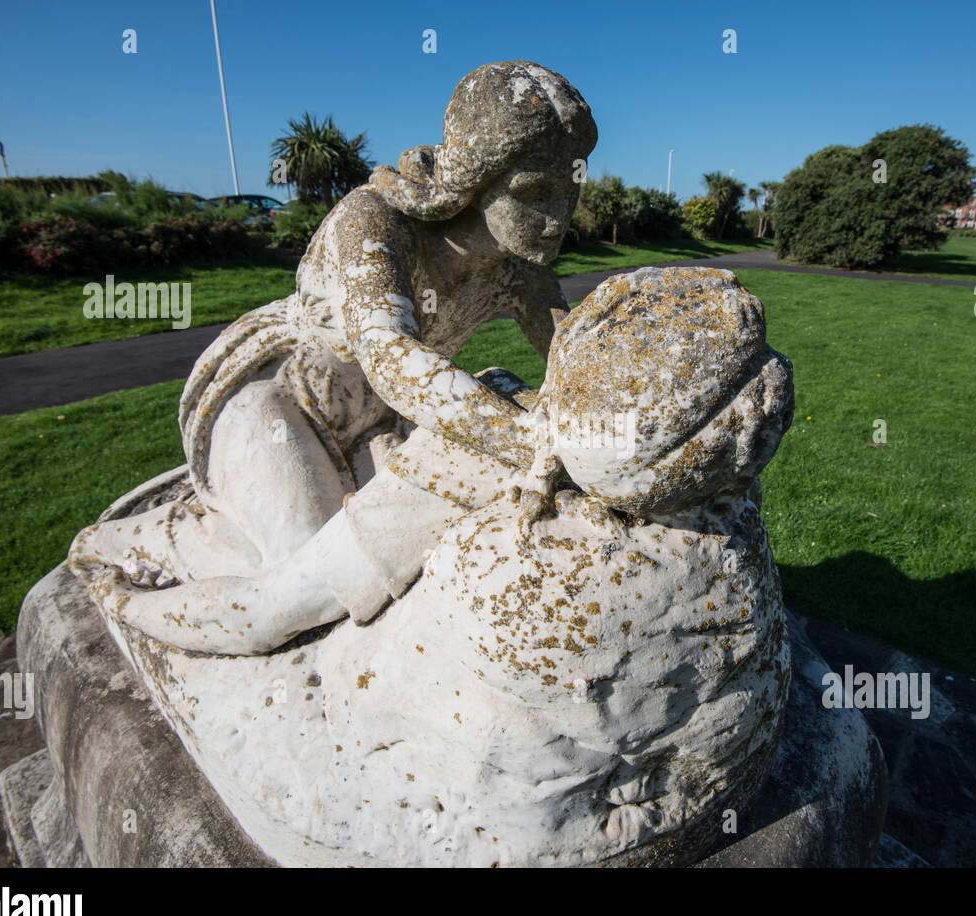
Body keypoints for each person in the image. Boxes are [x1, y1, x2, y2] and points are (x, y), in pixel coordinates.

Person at [69, 61, 597, 588]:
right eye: (534, 192)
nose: (558, 217)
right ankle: (145, 537)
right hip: (280, 402)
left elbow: (576, 356)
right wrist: (530, 438)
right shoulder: (376, 219)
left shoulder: (520, 272)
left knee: (407, 549)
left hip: (378, 422)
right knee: (307, 566)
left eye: (569, 190)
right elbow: (390, 356)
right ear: (477, 177)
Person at [83, 267, 795, 656]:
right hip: (279, 411)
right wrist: (127, 601)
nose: (557, 215)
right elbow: (267, 613)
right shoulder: (462, 462)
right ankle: (168, 533)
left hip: (396, 426)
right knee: (295, 571)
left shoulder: (596, 418)